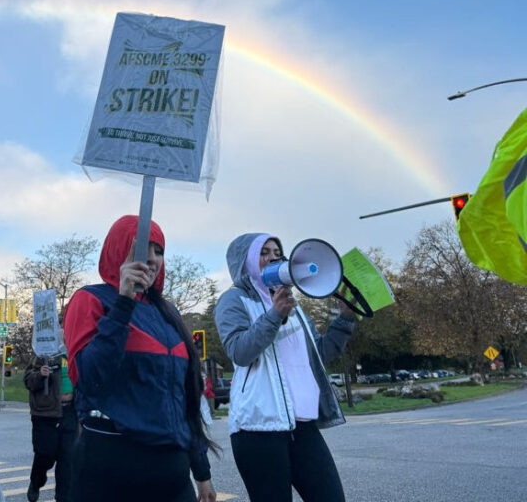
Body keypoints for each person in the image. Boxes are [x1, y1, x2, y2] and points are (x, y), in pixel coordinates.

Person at [64, 215, 217, 502]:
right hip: (111, 471)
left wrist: (201, 471)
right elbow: (89, 378)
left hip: (172, 472)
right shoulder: (90, 299)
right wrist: (124, 302)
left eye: (158, 250)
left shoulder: (167, 312)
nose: (151, 258)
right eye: (141, 248)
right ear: (118, 250)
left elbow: (185, 399)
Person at [214, 234, 356, 502]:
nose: (273, 258)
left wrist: (345, 320)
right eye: (264, 252)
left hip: (302, 427)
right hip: (257, 430)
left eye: (277, 253)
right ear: (246, 261)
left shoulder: (294, 306)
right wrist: (274, 315)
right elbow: (239, 351)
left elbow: (320, 353)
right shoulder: (233, 300)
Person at [23, 351, 77, 502]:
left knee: (67, 461)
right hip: (46, 414)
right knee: (45, 454)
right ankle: (36, 482)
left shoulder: (75, 351)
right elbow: (28, 381)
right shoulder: (43, 353)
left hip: (70, 412)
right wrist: (40, 374)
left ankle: (63, 498)